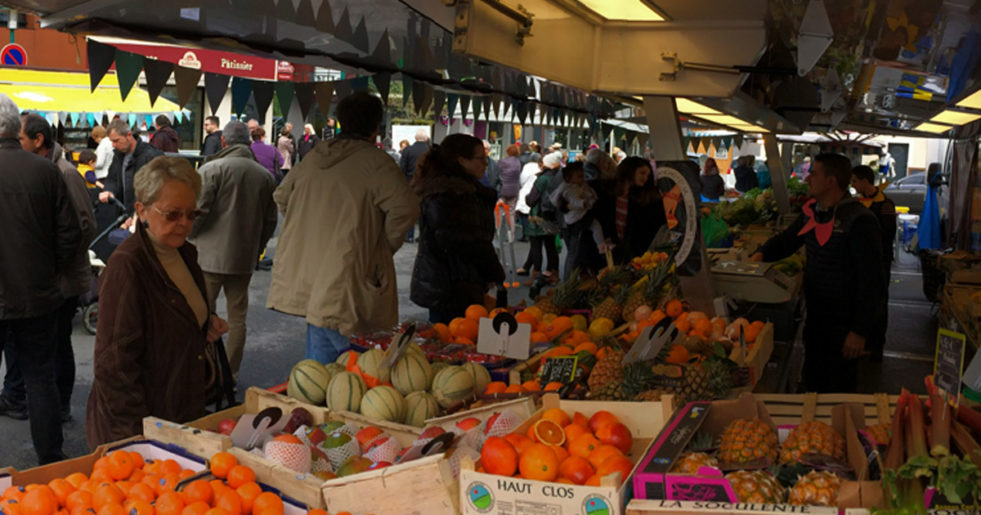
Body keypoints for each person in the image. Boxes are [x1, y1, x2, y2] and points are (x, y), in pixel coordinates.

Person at [87, 156, 228, 446]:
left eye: (192, 214)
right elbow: (114, 367)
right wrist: (137, 442)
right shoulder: (127, 267)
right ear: (142, 210)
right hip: (144, 428)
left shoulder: (185, 254)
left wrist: (203, 324)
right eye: (173, 214)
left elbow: (174, 314)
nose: (184, 223)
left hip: (179, 412)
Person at [268, 92, 419, 364]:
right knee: (356, 369)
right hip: (350, 275)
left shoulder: (315, 158)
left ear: (340, 121)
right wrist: (381, 246)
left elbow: (282, 197)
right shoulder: (376, 163)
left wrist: (308, 227)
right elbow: (405, 209)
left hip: (313, 271)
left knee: (318, 365)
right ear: (376, 126)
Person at [750, 153, 882, 393]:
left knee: (837, 390)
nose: (808, 178)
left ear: (830, 181)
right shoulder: (814, 212)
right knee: (813, 382)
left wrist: (859, 331)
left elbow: (871, 281)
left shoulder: (860, 220)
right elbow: (788, 240)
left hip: (844, 326)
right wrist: (758, 256)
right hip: (817, 317)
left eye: (814, 173)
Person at [0, 94, 81, 463]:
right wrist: (48, 269)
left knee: (36, 378)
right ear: (17, 128)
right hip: (37, 294)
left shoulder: (44, 171)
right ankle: (50, 458)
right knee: (40, 379)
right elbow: (71, 234)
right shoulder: (44, 170)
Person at [188, 121, 278, 378]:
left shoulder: (212, 169)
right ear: (249, 143)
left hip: (207, 255)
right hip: (243, 256)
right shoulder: (264, 176)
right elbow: (270, 221)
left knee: (204, 315)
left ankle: (205, 371)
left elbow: (199, 212)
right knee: (238, 317)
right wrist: (257, 248)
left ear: (224, 142)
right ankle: (231, 373)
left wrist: (188, 237)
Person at [409, 134, 505, 323]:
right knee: (454, 338)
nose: (486, 163)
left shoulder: (459, 191)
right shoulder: (450, 194)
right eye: (481, 158)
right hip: (450, 286)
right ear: (461, 160)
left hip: (455, 284)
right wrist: (494, 271)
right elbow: (467, 242)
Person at [852, 164, 896, 363]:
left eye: (854, 181)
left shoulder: (885, 204)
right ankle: (863, 342)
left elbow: (889, 235)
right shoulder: (858, 203)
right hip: (860, 261)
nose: (853, 186)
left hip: (880, 261)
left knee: (878, 303)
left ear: (864, 181)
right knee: (862, 300)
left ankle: (876, 347)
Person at [593, 156, 668, 265]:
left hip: (626, 252)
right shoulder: (605, 192)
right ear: (630, 171)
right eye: (642, 173)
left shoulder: (642, 198)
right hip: (607, 250)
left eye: (647, 175)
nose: (645, 178)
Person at [550, 162, 604, 279]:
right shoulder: (569, 188)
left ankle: (572, 279)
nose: (582, 178)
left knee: (575, 253)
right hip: (573, 221)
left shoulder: (581, 185)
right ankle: (568, 281)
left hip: (576, 219)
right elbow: (571, 201)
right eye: (579, 175)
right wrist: (583, 203)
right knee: (574, 254)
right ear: (569, 178)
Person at [517, 153, 563, 282]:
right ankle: (554, 273)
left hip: (539, 216)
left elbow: (531, 200)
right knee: (551, 247)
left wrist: (526, 198)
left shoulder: (542, 179)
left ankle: (535, 276)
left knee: (536, 246)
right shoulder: (559, 176)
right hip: (553, 217)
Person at [101, 119, 163, 214]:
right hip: (123, 214)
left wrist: (137, 215)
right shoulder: (118, 155)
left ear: (129, 135)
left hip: (144, 216)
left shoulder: (150, 156)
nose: (113, 145)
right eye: (111, 141)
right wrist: (109, 190)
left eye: (116, 140)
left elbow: (156, 190)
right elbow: (112, 178)